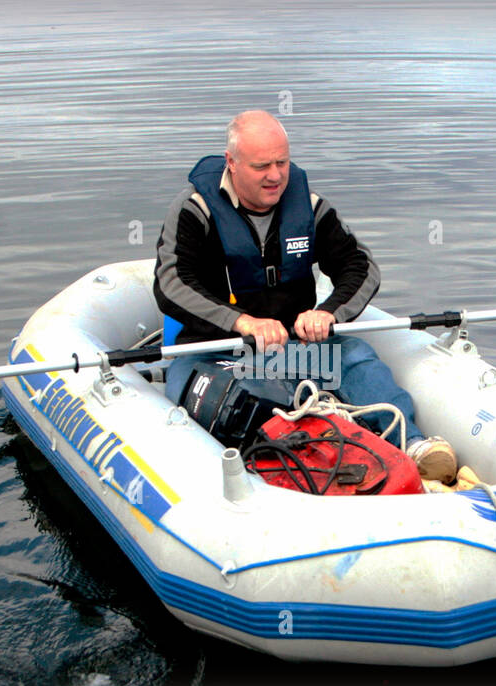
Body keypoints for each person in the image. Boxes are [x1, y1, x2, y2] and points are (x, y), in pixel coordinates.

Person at [152, 110, 457, 484]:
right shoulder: (194, 211)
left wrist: (328, 313)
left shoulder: (309, 207)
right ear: (231, 163)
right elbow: (170, 284)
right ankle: (278, 472)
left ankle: (411, 444)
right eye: (262, 165)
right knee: (229, 403)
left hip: (295, 350)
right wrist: (242, 322)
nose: (276, 176)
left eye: (282, 162)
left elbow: (359, 267)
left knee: (356, 356)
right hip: (212, 354)